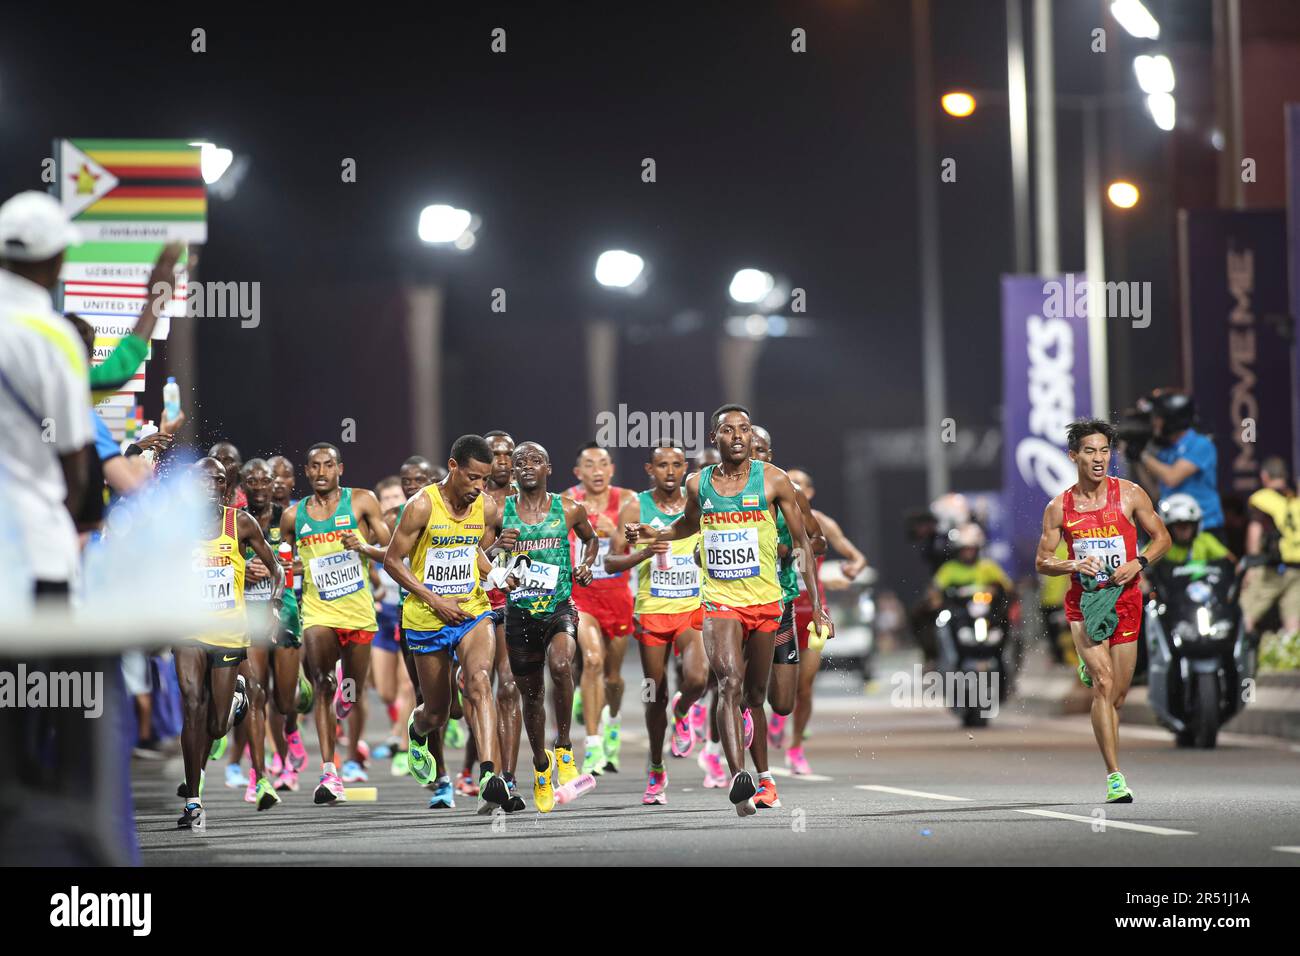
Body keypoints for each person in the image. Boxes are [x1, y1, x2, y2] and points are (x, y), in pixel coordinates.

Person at [627, 404, 830, 816]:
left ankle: (766, 778)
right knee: (730, 683)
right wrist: (658, 533)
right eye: (728, 430)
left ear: (751, 438)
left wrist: (820, 608)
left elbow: (804, 543)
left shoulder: (774, 480)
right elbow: (689, 524)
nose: (737, 435)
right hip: (720, 602)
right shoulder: (698, 483)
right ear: (714, 439)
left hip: (766, 601)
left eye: (744, 429)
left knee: (758, 694)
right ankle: (740, 777)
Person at [1035, 418, 1169, 804]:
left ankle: (1093, 670)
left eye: (1104, 451)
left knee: (1120, 696)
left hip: (1126, 598)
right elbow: (1043, 561)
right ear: (1073, 455)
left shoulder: (1130, 495)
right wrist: (1073, 565)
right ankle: (1114, 776)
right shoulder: (1059, 507)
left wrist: (1139, 562)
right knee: (1104, 684)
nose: (1098, 459)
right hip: (1085, 602)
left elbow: (1163, 538)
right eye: (1090, 451)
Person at [383, 435, 517, 813]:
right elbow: (393, 561)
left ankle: (491, 776)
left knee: (479, 683)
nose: (479, 487)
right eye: (473, 477)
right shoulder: (421, 505)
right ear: (454, 466)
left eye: (485, 479)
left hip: (472, 611)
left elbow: (471, 549)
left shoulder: (487, 507)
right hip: (427, 616)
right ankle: (417, 727)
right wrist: (433, 599)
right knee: (440, 711)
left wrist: (495, 576)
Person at [280, 442, 391, 804]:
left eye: (329, 465)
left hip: (358, 610)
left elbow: (392, 549)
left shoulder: (361, 500)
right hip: (318, 611)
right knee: (323, 682)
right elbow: (285, 561)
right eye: (315, 466)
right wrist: (290, 572)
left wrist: (363, 546)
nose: (322, 471)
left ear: (339, 469)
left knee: (352, 690)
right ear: (307, 471)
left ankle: (347, 696)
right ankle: (330, 773)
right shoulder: (294, 517)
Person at [177, 458, 284, 829]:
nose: (211, 486)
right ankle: (193, 799)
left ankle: (234, 699)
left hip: (228, 632)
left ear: (226, 487)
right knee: (192, 705)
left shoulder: (240, 523)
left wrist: (273, 606)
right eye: (203, 480)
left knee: (218, 725)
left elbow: (278, 569)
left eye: (218, 481)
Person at [491, 441, 598, 812]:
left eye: (536, 460)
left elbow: (591, 538)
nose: (526, 467)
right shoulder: (499, 511)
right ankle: (540, 765)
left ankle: (564, 747)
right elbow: (479, 556)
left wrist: (585, 564)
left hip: (559, 607)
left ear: (549, 468)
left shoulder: (568, 508)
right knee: (531, 697)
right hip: (519, 614)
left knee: (562, 664)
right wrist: (495, 550)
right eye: (519, 462)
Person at [605, 442, 709, 805]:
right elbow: (610, 562)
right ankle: (655, 766)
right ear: (650, 469)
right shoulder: (636, 506)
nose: (669, 471)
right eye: (662, 465)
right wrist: (644, 551)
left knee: (697, 678)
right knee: (654, 695)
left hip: (691, 606)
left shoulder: (698, 502)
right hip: (652, 611)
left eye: (677, 465)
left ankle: (683, 712)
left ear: (685, 469)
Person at [0, 191, 92, 601]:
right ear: (56, 260)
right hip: (36, 554)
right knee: (42, 670)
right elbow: (74, 459)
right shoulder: (55, 338)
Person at [781, 466, 866, 776]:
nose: (793, 488)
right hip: (780, 608)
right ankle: (777, 716)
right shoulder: (771, 520)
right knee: (778, 685)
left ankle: (795, 748)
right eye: (788, 483)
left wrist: (851, 570)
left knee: (804, 686)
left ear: (810, 492)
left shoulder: (821, 523)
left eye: (800, 484)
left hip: (814, 612)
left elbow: (857, 557)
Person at [567, 442, 636, 774]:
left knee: (612, 676)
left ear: (611, 469)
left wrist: (617, 534)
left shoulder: (628, 501)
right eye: (589, 465)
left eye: (603, 464)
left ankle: (612, 721)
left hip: (618, 596)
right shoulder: (566, 503)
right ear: (578, 473)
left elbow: (630, 545)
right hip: (582, 596)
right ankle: (592, 746)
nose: (597, 470)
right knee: (592, 661)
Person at [480, 430, 524, 798]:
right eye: (496, 455)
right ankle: (479, 765)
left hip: (515, 601)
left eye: (509, 454)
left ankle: (504, 777)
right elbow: (462, 552)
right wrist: (496, 549)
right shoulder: (469, 501)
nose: (504, 461)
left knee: (509, 686)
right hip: (475, 601)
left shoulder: (527, 498)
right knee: (472, 690)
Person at [1133, 390, 1224, 539]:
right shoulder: (1166, 451)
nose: (1154, 423)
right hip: (1173, 526)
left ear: (1173, 420)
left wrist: (1142, 455)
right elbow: (1157, 492)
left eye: (1159, 418)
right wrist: (1135, 459)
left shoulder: (1201, 444)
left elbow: (1172, 477)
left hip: (1204, 528)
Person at [1240, 457, 1300, 639]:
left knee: (1246, 613)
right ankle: (1292, 658)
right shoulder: (1295, 500)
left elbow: (1255, 531)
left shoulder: (1262, 499)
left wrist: (1251, 564)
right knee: (1293, 622)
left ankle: (1241, 655)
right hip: (1296, 567)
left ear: (1264, 476)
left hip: (1270, 567)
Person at [1158, 494, 1233, 566]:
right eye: (1178, 527)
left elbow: (1230, 561)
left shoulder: (1205, 540)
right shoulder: (1160, 543)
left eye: (1186, 526)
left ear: (1195, 526)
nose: (1183, 531)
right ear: (1168, 528)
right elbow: (1146, 561)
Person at [209, 442, 248, 508]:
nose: (220, 465)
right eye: (215, 460)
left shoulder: (248, 504)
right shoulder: (195, 501)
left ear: (239, 467)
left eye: (227, 461)